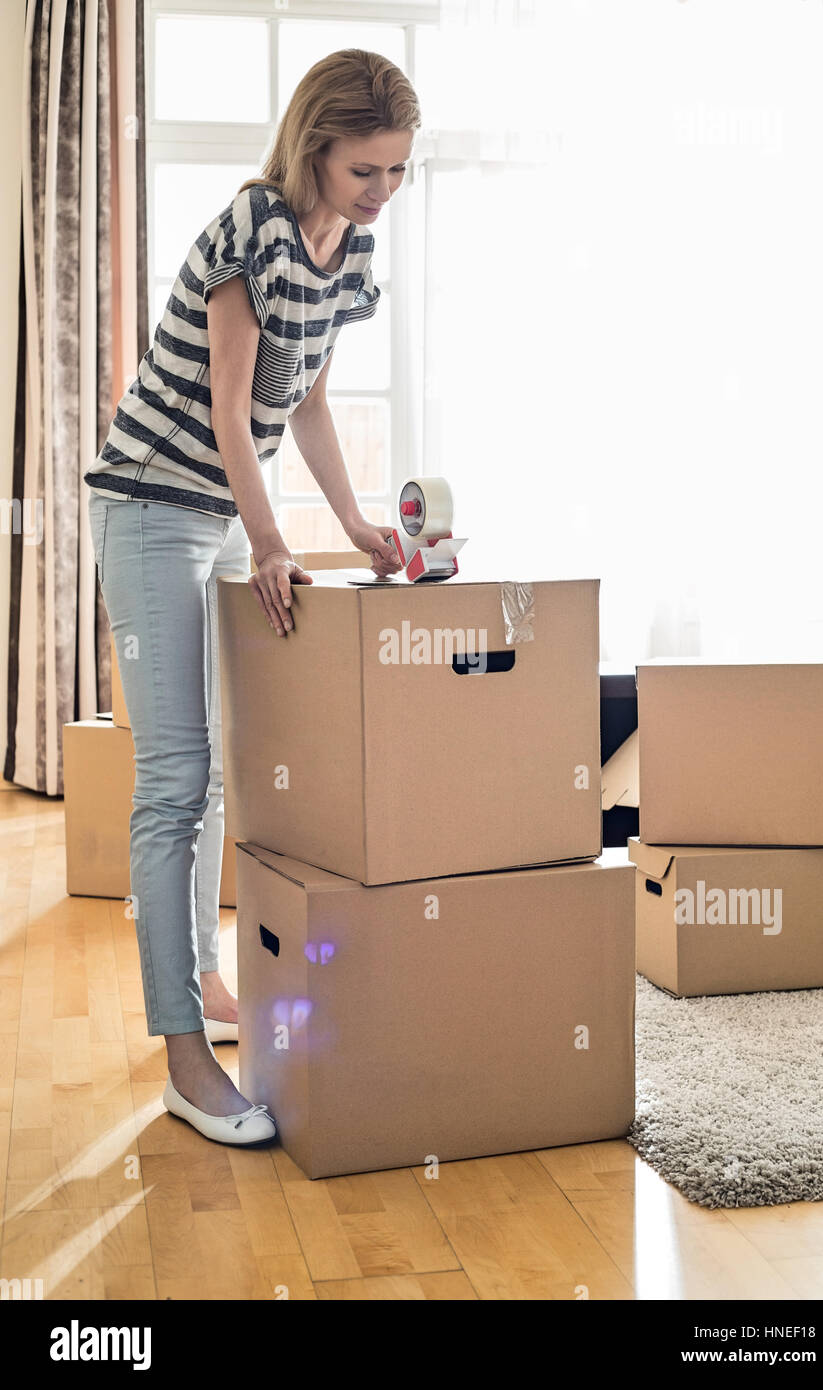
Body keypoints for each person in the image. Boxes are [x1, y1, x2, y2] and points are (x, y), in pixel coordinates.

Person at [84, 49, 421, 1145]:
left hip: (226, 511)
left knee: (227, 768)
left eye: (398, 172)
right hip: (151, 503)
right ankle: (183, 1056)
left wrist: (356, 526)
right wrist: (273, 542)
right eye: (366, 169)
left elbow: (306, 409)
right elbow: (232, 411)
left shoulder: (348, 252)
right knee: (173, 779)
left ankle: (211, 987)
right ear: (316, 145)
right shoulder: (252, 228)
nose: (382, 192)